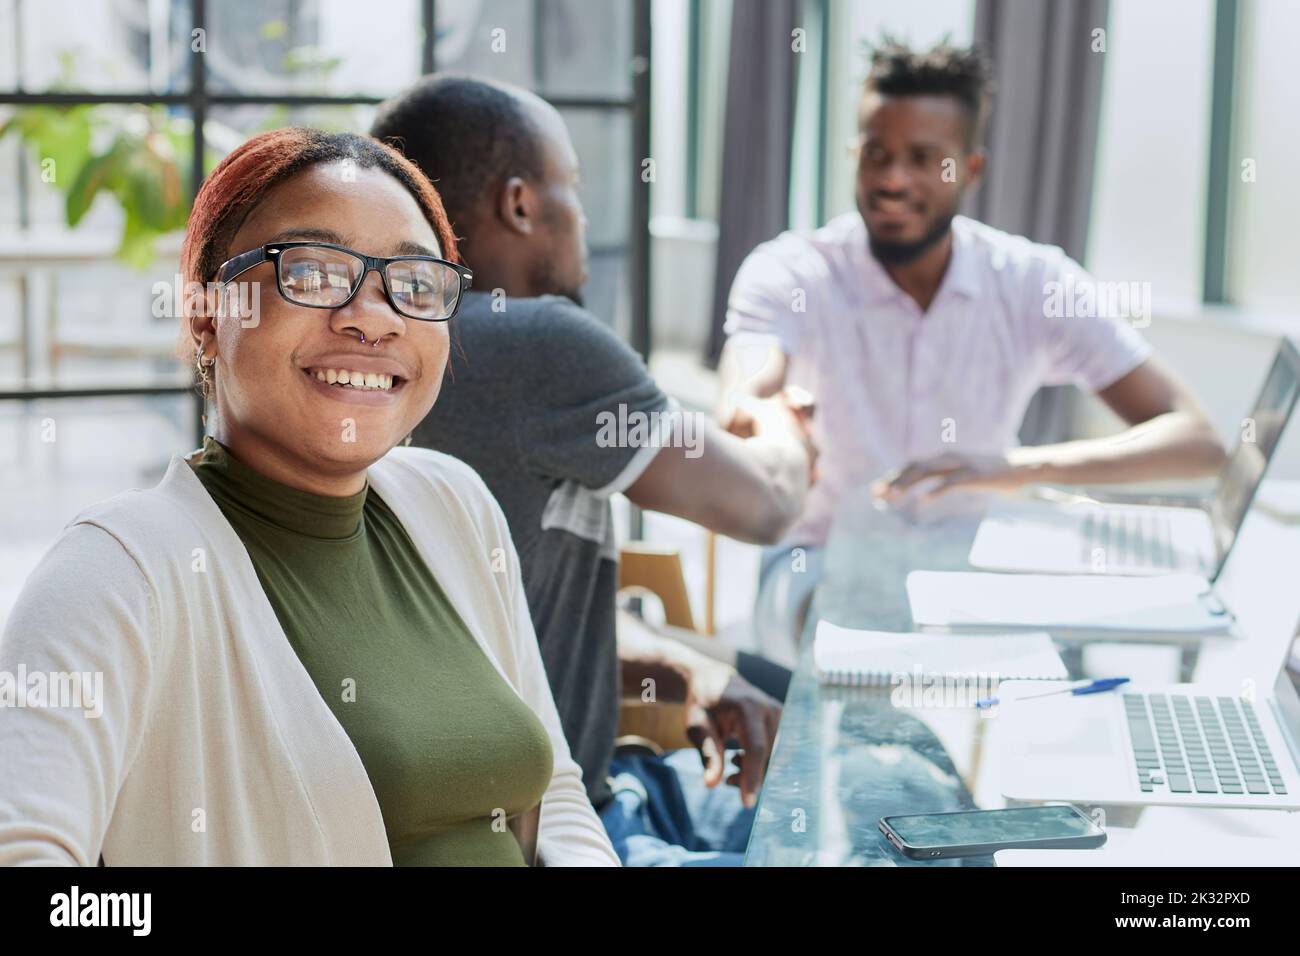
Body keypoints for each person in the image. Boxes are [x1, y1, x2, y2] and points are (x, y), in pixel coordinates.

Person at [0, 128, 617, 867]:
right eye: (315, 272)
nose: (373, 314)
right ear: (205, 314)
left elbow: (560, 791)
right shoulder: (118, 571)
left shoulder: (454, 504)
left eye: (415, 281)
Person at [371, 76, 814, 866]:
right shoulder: (535, 342)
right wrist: (776, 412)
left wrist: (687, 670)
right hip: (564, 835)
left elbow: (517, 626)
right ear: (519, 205)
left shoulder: (422, 351)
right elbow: (769, 502)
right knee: (881, 815)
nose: (581, 211)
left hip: (605, 788)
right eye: (569, 183)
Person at [717, 40, 1227, 664]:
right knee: (865, 637)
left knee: (1071, 657)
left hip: (974, 570)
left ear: (971, 169)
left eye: (922, 158)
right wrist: (767, 416)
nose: (891, 180)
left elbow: (1196, 440)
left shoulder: (1030, 282)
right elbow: (749, 382)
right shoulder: (791, 272)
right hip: (817, 565)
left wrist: (1017, 468)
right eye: (875, 154)